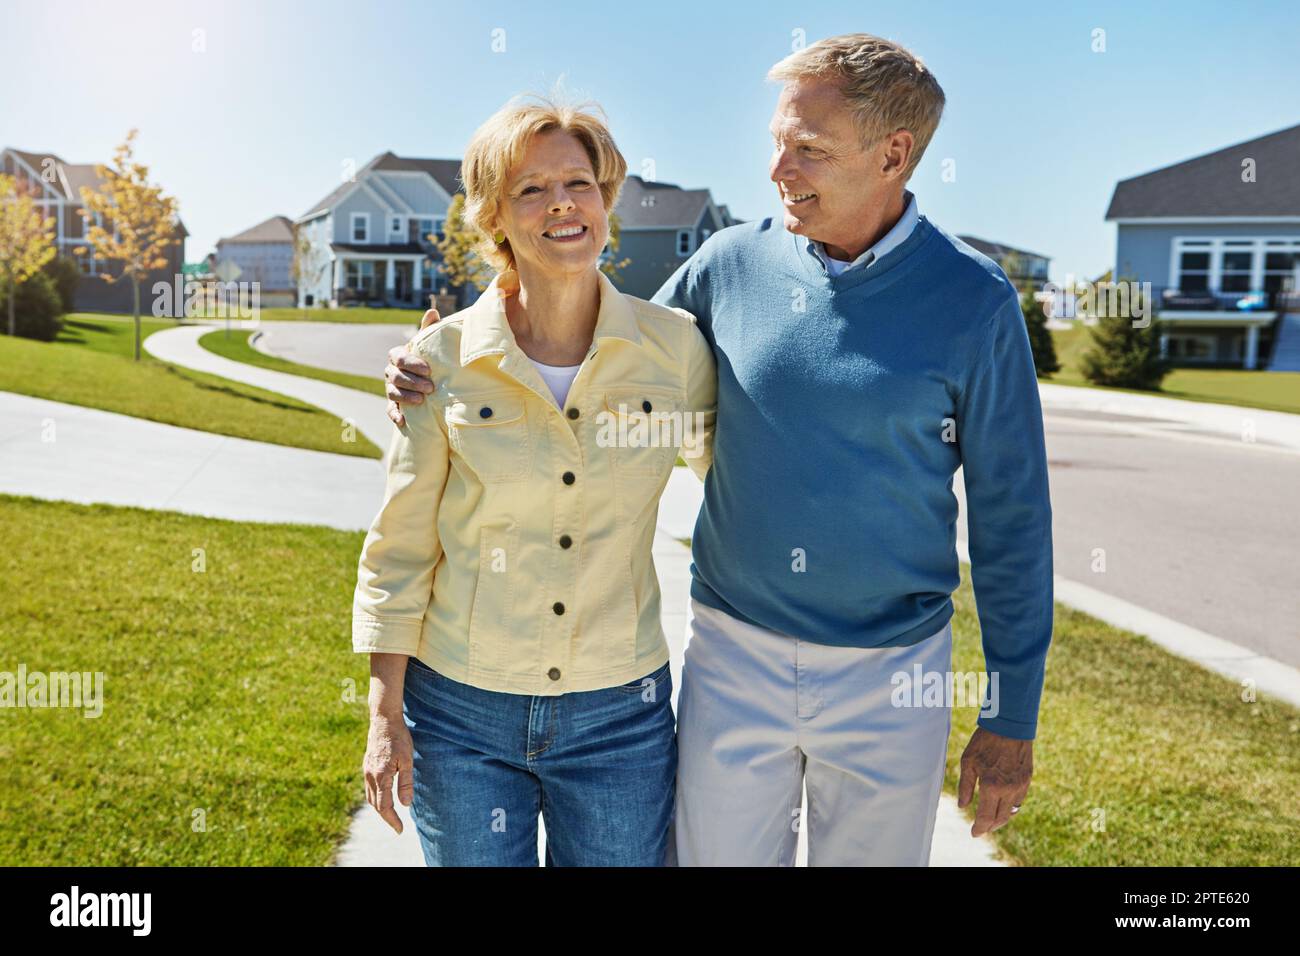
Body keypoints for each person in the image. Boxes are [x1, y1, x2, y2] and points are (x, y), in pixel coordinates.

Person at [388, 33, 1053, 867]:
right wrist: (446, 356)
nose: (779, 170)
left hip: (894, 672)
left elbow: (1013, 523)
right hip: (735, 656)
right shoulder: (728, 265)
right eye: (778, 141)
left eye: (809, 150)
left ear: (895, 154)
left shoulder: (975, 302)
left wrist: (1011, 716)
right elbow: (594, 350)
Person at [355, 94, 716, 866]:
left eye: (579, 183)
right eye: (531, 189)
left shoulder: (674, 350)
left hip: (622, 713)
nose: (562, 204)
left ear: (606, 198)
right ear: (495, 217)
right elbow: (401, 548)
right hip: (460, 711)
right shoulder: (440, 363)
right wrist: (385, 713)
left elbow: (741, 487)